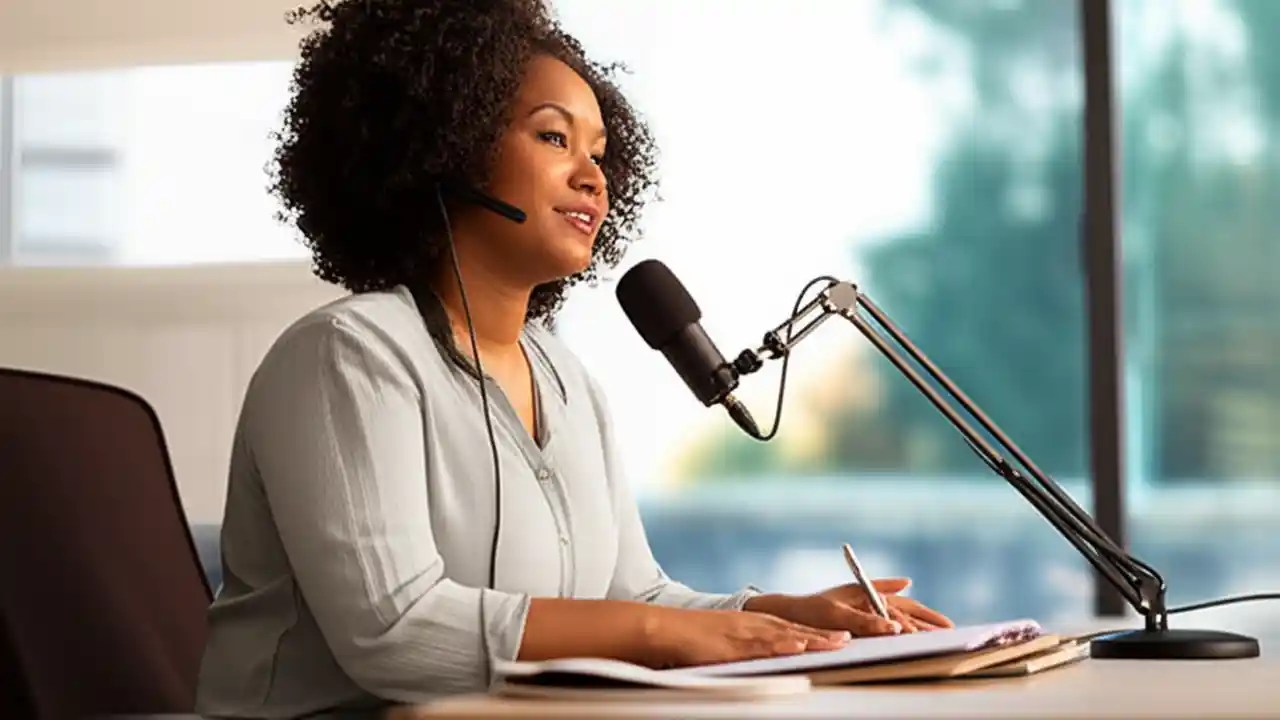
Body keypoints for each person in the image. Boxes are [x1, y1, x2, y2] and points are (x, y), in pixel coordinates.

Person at [195, 0, 953, 716]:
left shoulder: (568, 382)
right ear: (450, 146)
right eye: (554, 139)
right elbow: (395, 633)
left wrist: (780, 616)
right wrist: (667, 635)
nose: (593, 177)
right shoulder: (346, 356)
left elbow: (636, 598)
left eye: (599, 153)